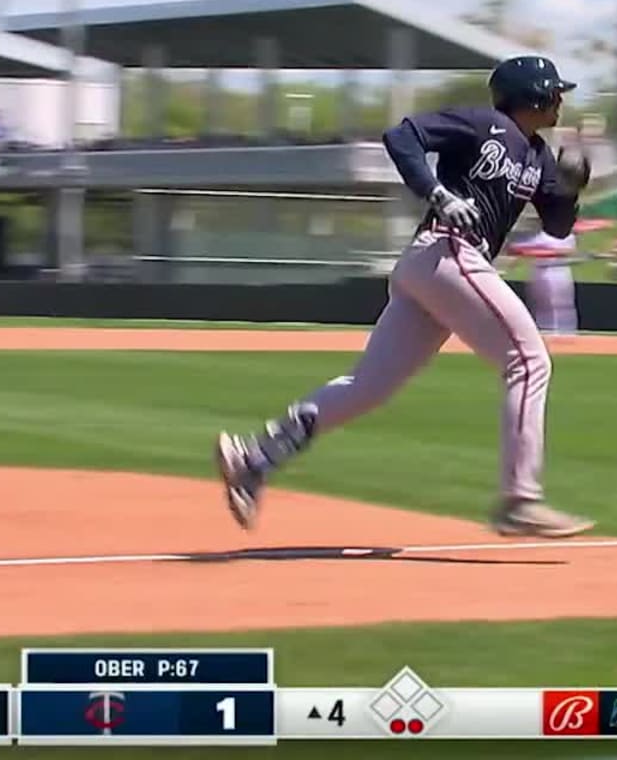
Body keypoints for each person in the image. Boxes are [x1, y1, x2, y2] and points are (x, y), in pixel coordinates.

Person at [214, 55, 595, 538]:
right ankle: (521, 498)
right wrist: (437, 193)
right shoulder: (484, 124)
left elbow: (557, 226)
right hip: (447, 251)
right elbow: (404, 136)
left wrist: (569, 188)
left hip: (441, 270)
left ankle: (254, 459)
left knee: (367, 387)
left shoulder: (539, 155)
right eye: (555, 92)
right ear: (534, 94)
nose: (561, 100)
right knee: (529, 360)